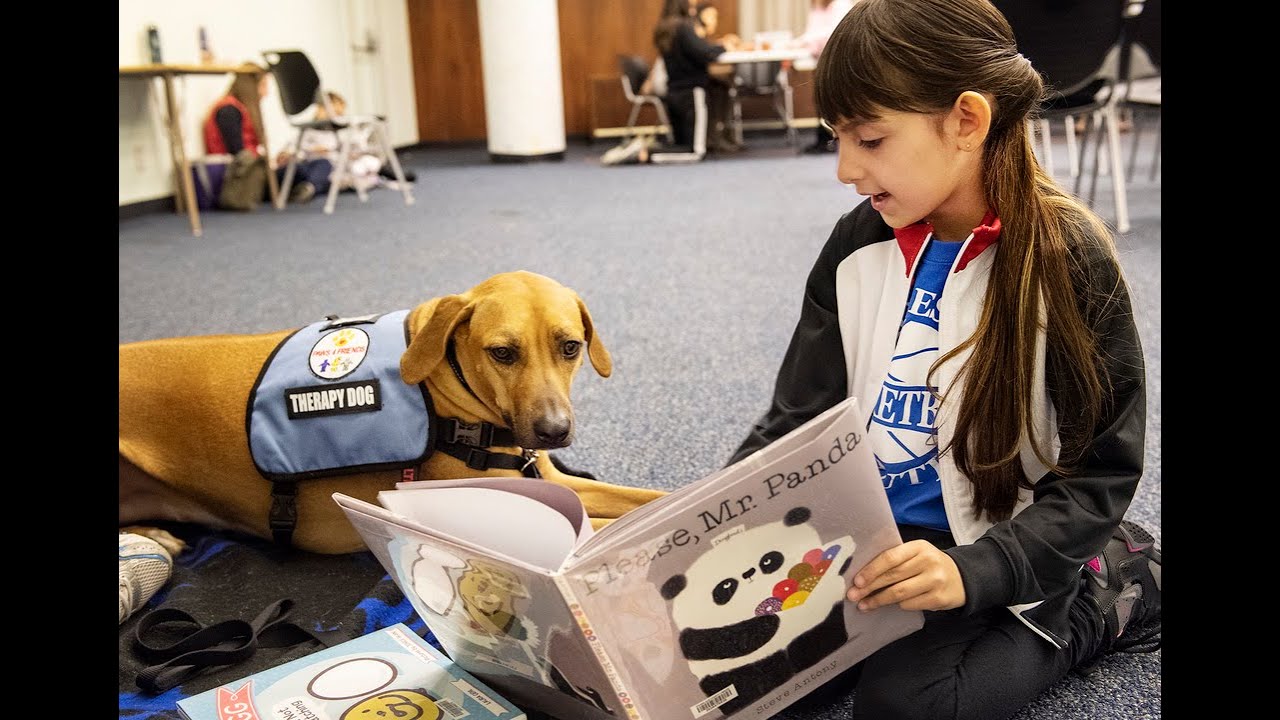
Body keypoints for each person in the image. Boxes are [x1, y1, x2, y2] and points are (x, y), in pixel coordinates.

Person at [725, 1, 1160, 718]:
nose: (843, 168)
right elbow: (798, 420)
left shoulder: (1068, 259)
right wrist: (715, 520)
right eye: (837, 139)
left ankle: (1108, 585)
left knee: (907, 708)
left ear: (966, 120)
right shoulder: (856, 243)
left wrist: (976, 572)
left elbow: (1100, 473)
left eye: (868, 138)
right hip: (872, 543)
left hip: (1001, 547)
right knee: (730, 684)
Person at [202, 69, 331, 204]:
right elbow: (239, 154)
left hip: (256, 167)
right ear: (249, 87)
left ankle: (309, 187)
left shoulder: (240, 109)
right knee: (306, 169)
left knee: (321, 164)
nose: (266, 93)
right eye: (263, 86)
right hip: (244, 175)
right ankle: (311, 187)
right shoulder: (228, 110)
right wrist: (267, 163)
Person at [653, 0, 745, 154]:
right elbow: (705, 53)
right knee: (695, 151)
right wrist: (725, 46)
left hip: (676, 92)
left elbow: (697, 49)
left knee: (720, 86)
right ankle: (648, 153)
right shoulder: (683, 28)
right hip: (691, 93)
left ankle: (716, 139)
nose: (694, 8)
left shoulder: (666, 27)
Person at [791, 0, 856, 153]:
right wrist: (799, 43)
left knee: (836, 104)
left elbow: (833, 32)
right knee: (821, 103)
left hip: (839, 63)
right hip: (821, 62)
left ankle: (833, 139)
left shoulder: (841, 5)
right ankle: (823, 140)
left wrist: (802, 41)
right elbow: (811, 34)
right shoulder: (817, 8)